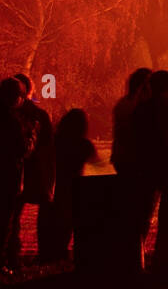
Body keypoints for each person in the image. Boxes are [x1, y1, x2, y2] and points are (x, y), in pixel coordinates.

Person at [131, 71, 168, 268]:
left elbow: (135, 140)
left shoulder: (140, 111)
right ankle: (163, 257)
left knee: (142, 214)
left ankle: (135, 256)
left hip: (146, 167)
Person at [7, 73, 54, 269]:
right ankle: (13, 258)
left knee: (11, 217)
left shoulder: (10, 114)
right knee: (15, 217)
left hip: (14, 173)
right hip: (28, 173)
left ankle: (11, 256)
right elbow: (47, 149)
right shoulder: (37, 116)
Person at [111, 67, 153, 250]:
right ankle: (137, 247)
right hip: (138, 161)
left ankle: (129, 246)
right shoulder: (140, 107)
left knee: (129, 206)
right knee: (143, 208)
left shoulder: (122, 104)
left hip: (122, 158)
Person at [48, 108, 97, 261]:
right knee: (71, 221)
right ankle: (66, 251)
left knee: (57, 220)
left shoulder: (57, 140)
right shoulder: (83, 144)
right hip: (76, 185)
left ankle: (54, 250)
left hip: (58, 184)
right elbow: (96, 161)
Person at [0, 78, 36, 276]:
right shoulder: (12, 121)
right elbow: (21, 149)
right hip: (7, 177)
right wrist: (31, 137)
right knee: (4, 223)